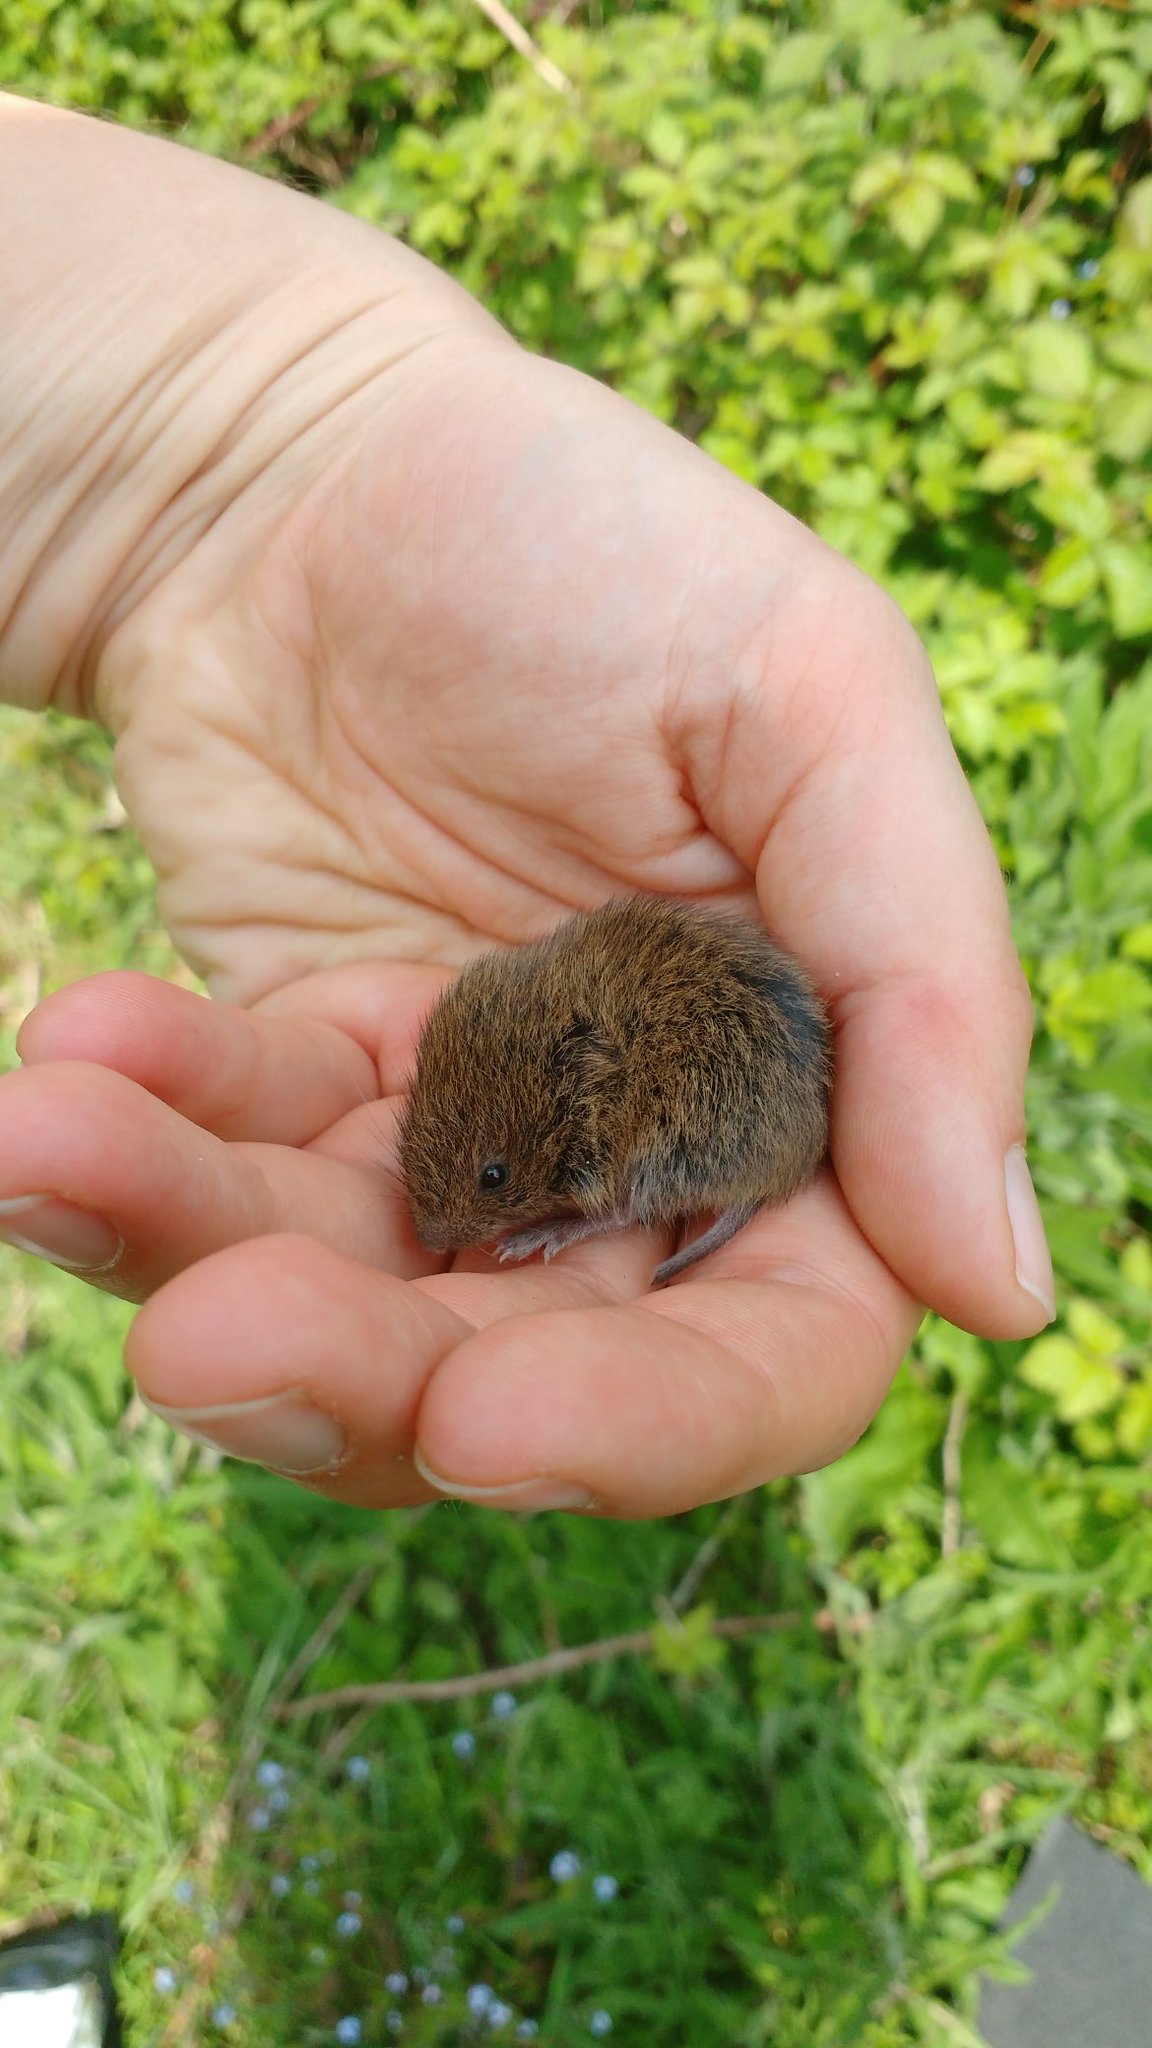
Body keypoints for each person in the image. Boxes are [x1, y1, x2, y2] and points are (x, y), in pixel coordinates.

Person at [0, 94, 1054, 1518]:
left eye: (489, 1178)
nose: (453, 1219)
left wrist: (263, 440)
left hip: (727, 1104)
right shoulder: (521, 1034)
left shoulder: (622, 1097)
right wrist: (242, 468)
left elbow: (606, 1157)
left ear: (572, 1106)